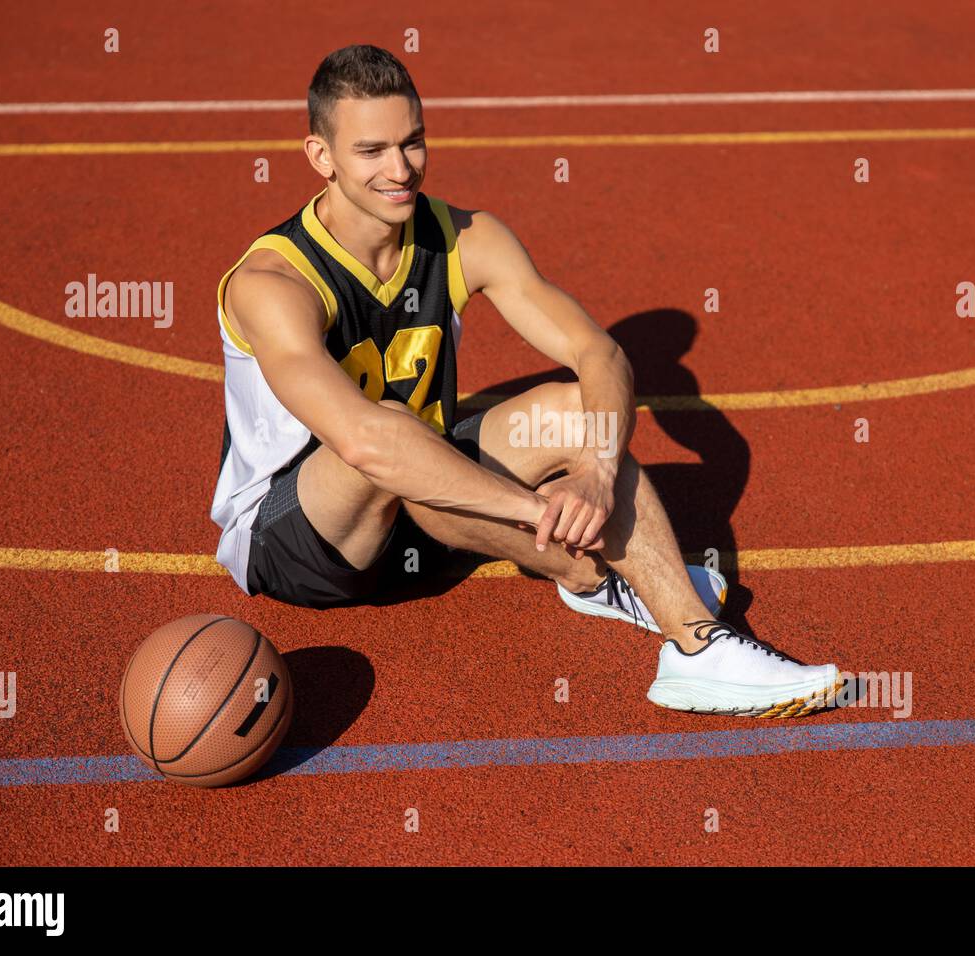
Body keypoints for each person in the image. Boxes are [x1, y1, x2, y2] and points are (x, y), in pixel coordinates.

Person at [210, 45, 838, 718]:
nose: (400, 170)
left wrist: (595, 475)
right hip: (296, 537)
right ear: (320, 156)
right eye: (371, 151)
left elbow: (601, 354)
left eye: (413, 142)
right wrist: (544, 513)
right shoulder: (274, 282)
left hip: (424, 505)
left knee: (575, 413)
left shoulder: (464, 238)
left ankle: (695, 645)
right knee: (389, 436)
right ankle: (589, 566)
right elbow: (365, 445)